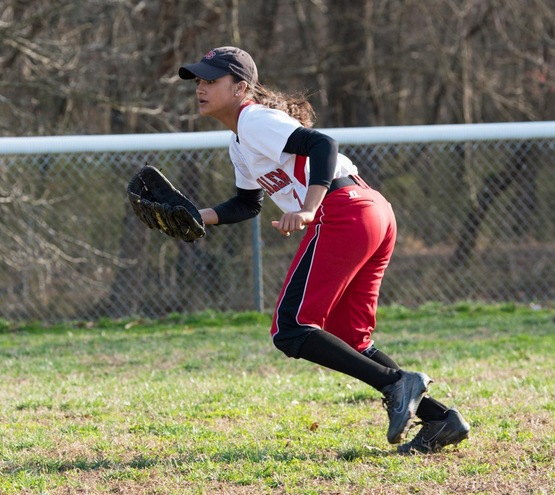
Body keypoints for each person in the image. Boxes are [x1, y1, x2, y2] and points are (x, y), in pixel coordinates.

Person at [178, 46, 470, 453]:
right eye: (199, 80)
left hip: (343, 210)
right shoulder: (239, 141)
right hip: (369, 210)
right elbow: (246, 204)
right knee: (350, 338)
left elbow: (323, 145)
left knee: (291, 328)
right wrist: (195, 216)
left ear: (241, 87)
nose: (201, 88)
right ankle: (440, 420)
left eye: (211, 80)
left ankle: (396, 384)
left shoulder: (254, 120)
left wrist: (309, 207)